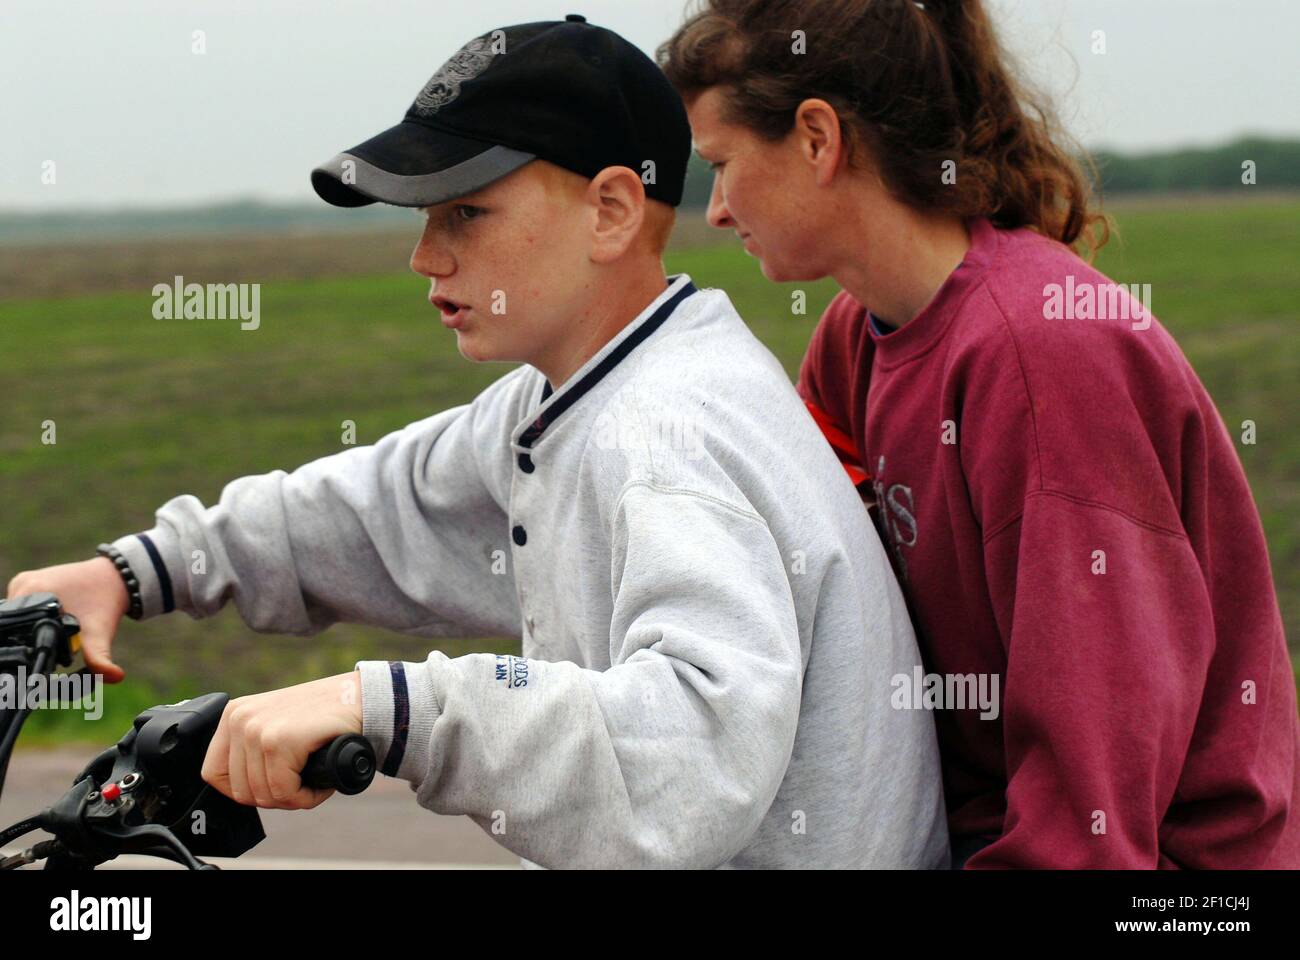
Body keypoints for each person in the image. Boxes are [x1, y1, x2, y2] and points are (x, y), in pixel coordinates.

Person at [7, 16, 948, 869]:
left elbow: (687, 756)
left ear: (612, 212)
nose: (425, 256)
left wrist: (391, 709)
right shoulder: (573, 391)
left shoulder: (669, 432)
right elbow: (382, 508)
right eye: (424, 217)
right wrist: (134, 571)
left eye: (466, 212)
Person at [659, 0, 1300, 868]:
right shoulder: (852, 345)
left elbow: (1095, 809)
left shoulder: (1044, 355)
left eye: (722, 164)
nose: (719, 211)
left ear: (817, 138)